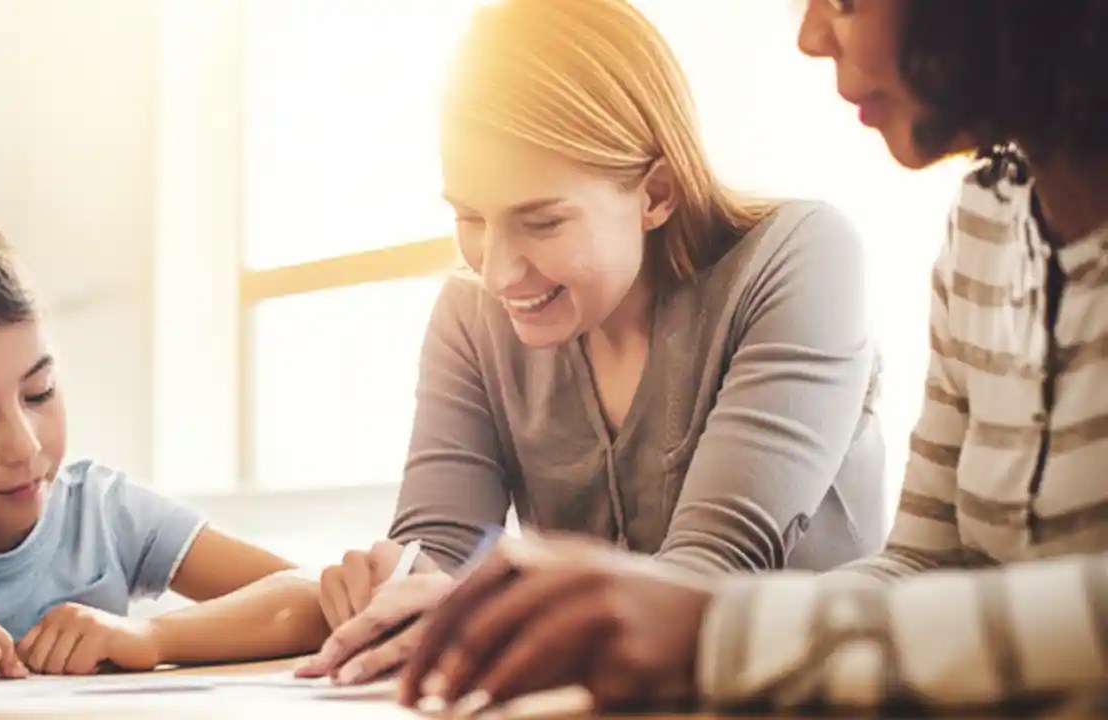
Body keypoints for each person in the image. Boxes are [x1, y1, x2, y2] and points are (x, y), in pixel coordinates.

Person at [398, 0, 1108, 713]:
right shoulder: (987, 221)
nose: (808, 36)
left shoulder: (796, 254)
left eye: (847, 2)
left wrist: (715, 631)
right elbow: (926, 564)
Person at [298, 0, 887, 685]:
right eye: (470, 217)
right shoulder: (470, 315)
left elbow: (712, 570)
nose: (495, 271)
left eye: (541, 223)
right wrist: (393, 587)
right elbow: (439, 552)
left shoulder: (798, 259)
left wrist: (476, 605)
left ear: (656, 194)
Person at [0, 208, 329, 684]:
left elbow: (313, 597)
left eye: (39, 392)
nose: (25, 448)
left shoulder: (105, 514)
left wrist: (154, 636)